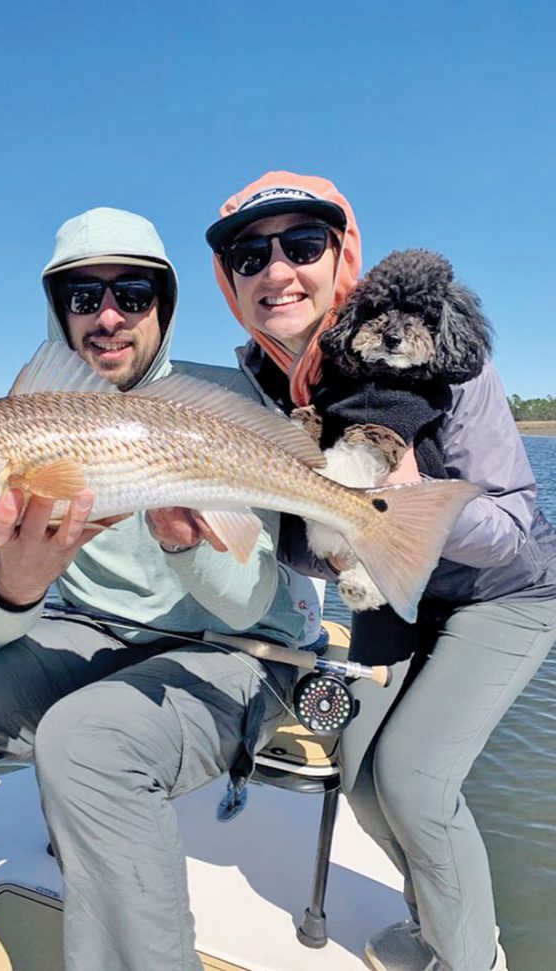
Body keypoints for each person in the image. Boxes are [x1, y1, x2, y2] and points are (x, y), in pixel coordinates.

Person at [0, 206, 323, 971]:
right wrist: (16, 579)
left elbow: (261, 601)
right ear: (57, 309)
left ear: (163, 307)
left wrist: (185, 548)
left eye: (132, 295)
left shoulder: (227, 403)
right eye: (82, 297)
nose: (106, 317)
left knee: (88, 738)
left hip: (241, 651)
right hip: (96, 636)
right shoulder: (18, 419)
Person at [205, 171, 556, 971]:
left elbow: (514, 530)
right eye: (248, 254)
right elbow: (304, 548)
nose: (276, 269)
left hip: (504, 593)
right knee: (360, 773)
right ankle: (438, 926)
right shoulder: (266, 390)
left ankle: (473, 959)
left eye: (301, 244)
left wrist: (411, 504)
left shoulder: (448, 356)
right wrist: (251, 525)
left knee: (416, 780)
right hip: (391, 601)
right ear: (230, 282)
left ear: (342, 255)